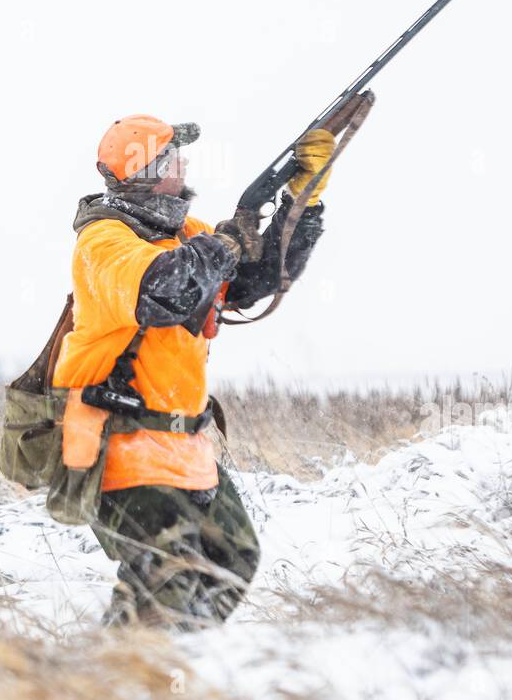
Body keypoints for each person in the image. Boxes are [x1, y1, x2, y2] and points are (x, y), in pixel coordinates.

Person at [51, 114, 337, 630]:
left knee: (231, 562)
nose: (182, 165)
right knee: (164, 578)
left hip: (184, 446)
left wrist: (303, 201)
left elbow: (255, 281)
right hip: (122, 445)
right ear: (147, 169)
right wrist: (226, 242)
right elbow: (167, 292)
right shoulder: (104, 241)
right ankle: (122, 685)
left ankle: (171, 669)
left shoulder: (187, 234)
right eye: (171, 158)